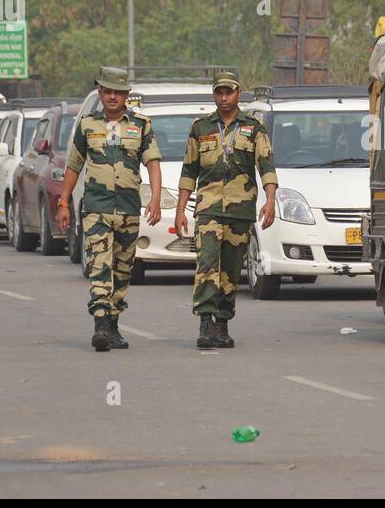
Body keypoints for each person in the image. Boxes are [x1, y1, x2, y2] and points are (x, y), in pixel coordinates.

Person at [58, 67, 162, 352]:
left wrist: (154, 197)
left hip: (128, 209)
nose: (112, 97)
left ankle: (113, 323)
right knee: (100, 265)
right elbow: (74, 165)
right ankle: (101, 323)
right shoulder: (87, 125)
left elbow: (152, 162)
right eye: (107, 92)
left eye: (118, 92)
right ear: (100, 94)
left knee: (123, 268)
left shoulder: (141, 125)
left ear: (126, 95)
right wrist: (64, 203)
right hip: (97, 209)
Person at [174, 72, 277, 349]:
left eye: (228, 92)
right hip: (208, 209)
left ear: (237, 94)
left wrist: (269, 201)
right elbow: (189, 170)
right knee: (207, 264)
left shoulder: (254, 128)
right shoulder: (201, 127)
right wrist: (181, 209)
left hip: (240, 211)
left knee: (231, 270)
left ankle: (222, 323)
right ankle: (205, 321)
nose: (223, 98)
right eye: (219, 92)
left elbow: (266, 167)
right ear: (214, 94)